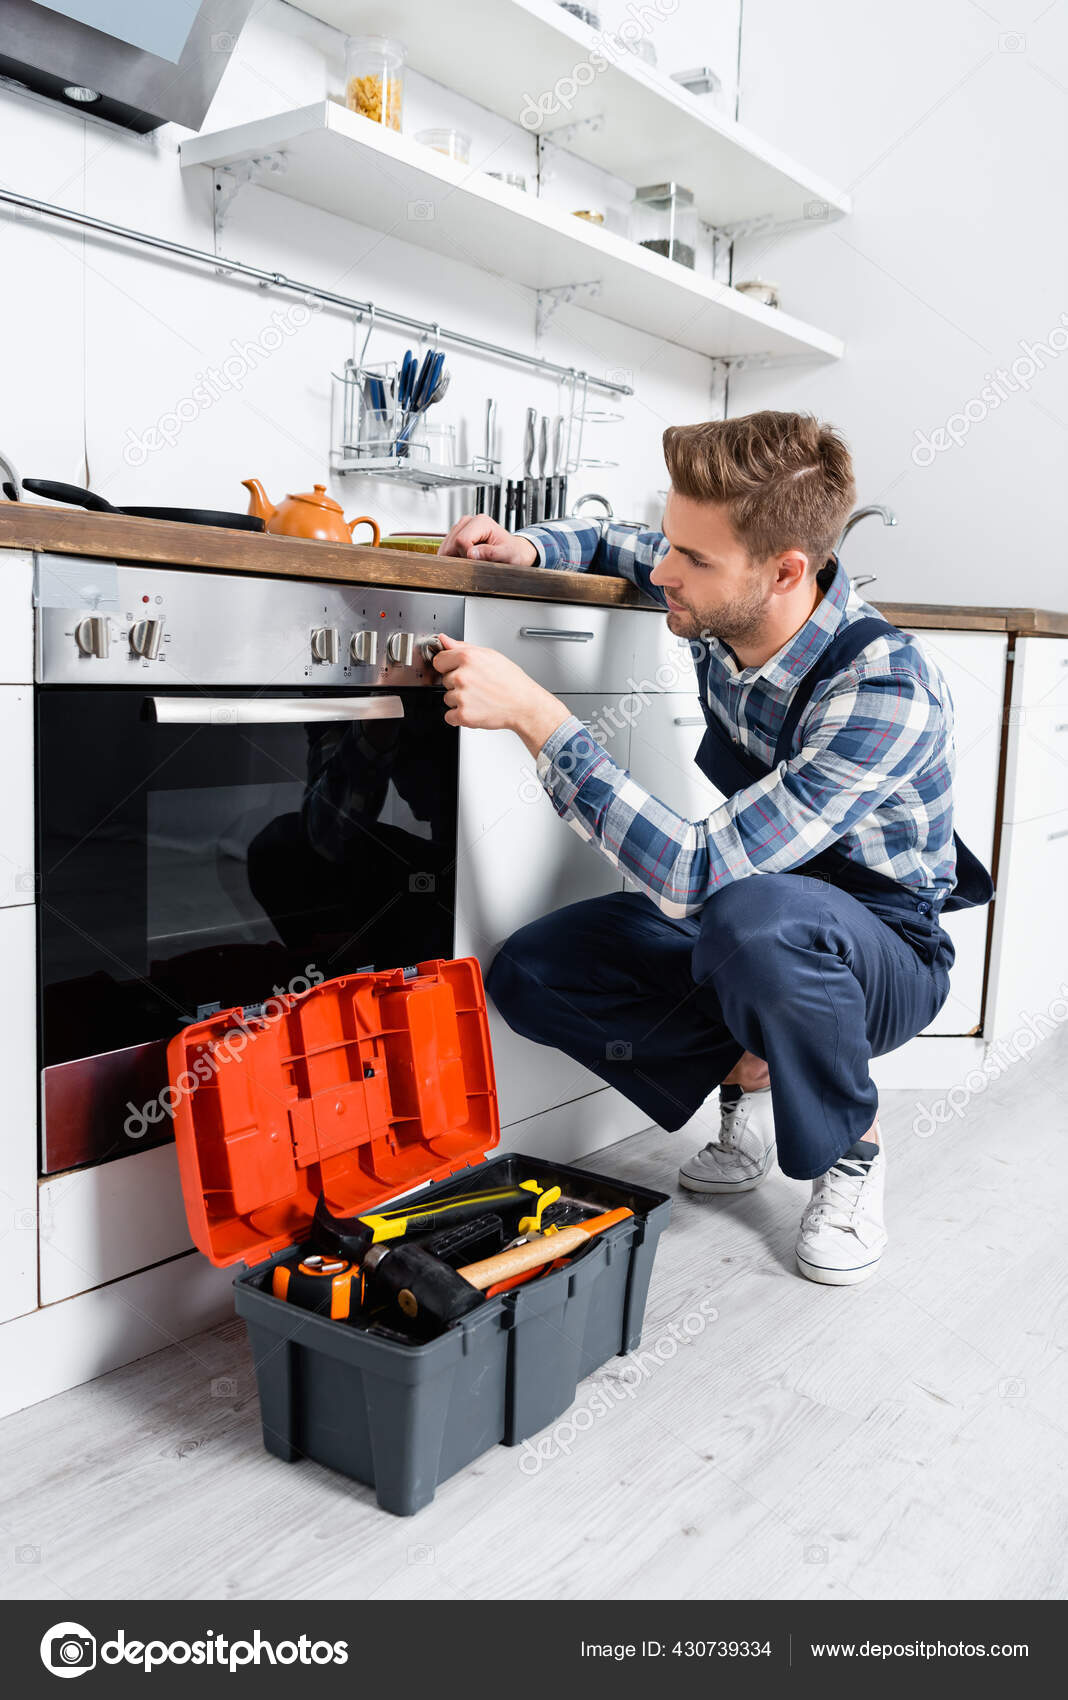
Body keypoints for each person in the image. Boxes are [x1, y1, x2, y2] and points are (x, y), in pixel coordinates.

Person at [431, 411, 989, 1286]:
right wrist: (531, 546)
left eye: (691, 560)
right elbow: (620, 542)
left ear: (785, 573)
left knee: (753, 920)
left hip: (881, 948)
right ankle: (752, 1067)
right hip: (753, 909)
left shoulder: (883, 688)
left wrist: (538, 719)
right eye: (673, 546)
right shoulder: (724, 591)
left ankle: (853, 1148)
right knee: (532, 971)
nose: (662, 573)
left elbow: (698, 874)